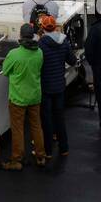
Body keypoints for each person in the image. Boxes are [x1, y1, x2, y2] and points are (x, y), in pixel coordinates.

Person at [0, 23, 46, 169]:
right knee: (36, 126)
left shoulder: (14, 54)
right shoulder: (39, 53)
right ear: (32, 35)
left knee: (18, 129)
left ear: (20, 35)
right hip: (35, 96)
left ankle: (17, 160)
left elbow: (5, 71)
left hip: (18, 98)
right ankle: (40, 156)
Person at [38, 15, 76, 158]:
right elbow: (72, 60)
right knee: (59, 117)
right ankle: (64, 148)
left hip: (46, 86)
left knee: (46, 119)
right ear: (55, 27)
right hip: (59, 85)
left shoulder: (41, 44)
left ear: (43, 28)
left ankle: (48, 151)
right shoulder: (64, 41)